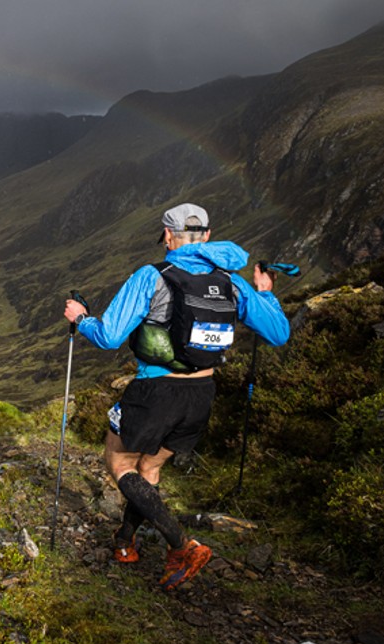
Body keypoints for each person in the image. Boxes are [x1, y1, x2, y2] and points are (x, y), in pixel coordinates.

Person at [62, 202, 290, 590]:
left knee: (120, 465)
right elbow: (279, 334)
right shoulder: (232, 282)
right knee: (150, 470)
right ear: (208, 234)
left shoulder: (152, 276)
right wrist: (265, 294)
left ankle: (182, 545)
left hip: (156, 390)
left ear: (168, 236)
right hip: (201, 393)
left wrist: (81, 318)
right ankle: (125, 542)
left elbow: (109, 336)